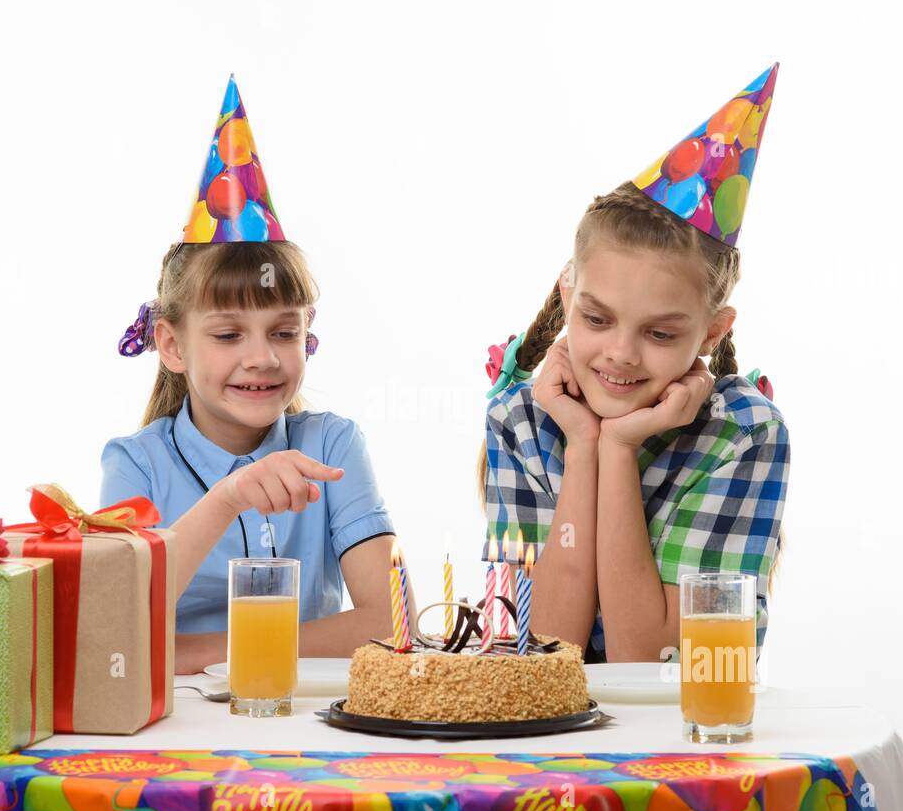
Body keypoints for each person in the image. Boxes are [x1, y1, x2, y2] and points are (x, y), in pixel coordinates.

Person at [479, 64, 788, 665]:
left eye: (659, 332)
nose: (620, 352)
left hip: (681, 744)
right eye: (596, 320)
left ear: (711, 333)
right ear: (568, 294)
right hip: (551, 747)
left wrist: (617, 450)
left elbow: (652, 664)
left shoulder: (744, 434)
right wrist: (582, 445)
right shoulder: (519, 421)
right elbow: (540, 656)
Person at [102, 77, 404, 674]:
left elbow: (391, 622)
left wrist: (201, 654)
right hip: (178, 729)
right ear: (171, 344)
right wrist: (228, 497)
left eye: (283, 332)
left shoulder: (331, 445)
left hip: (305, 722)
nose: (262, 357)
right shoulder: (135, 465)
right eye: (227, 334)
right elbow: (115, 626)